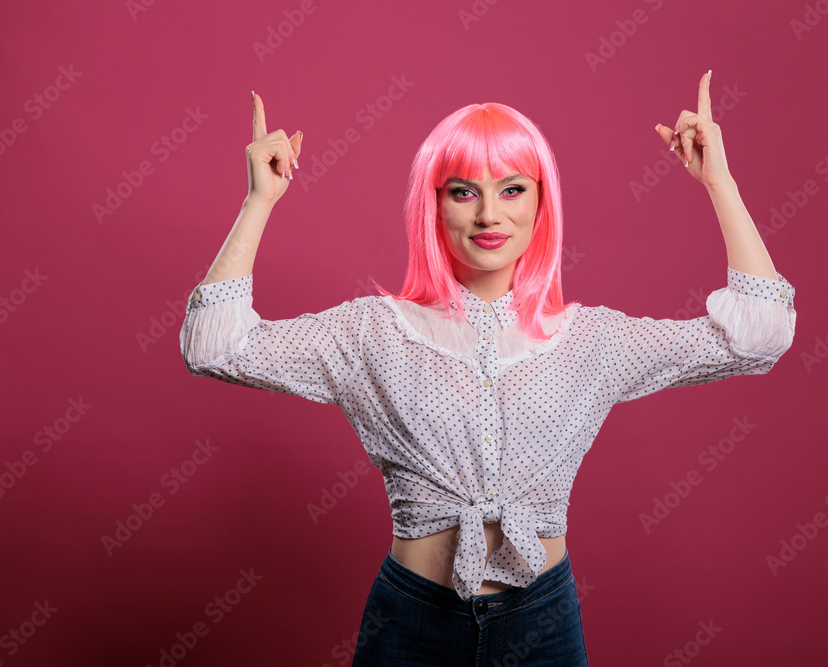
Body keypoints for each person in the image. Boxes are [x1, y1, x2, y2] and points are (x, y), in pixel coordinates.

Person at [178, 71, 796, 665]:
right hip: (411, 623)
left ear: (540, 202)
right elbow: (214, 347)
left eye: (512, 189)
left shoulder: (591, 342)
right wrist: (260, 200)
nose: (489, 216)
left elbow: (758, 336)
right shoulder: (370, 333)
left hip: (543, 622)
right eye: (464, 191)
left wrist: (720, 183)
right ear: (435, 204)